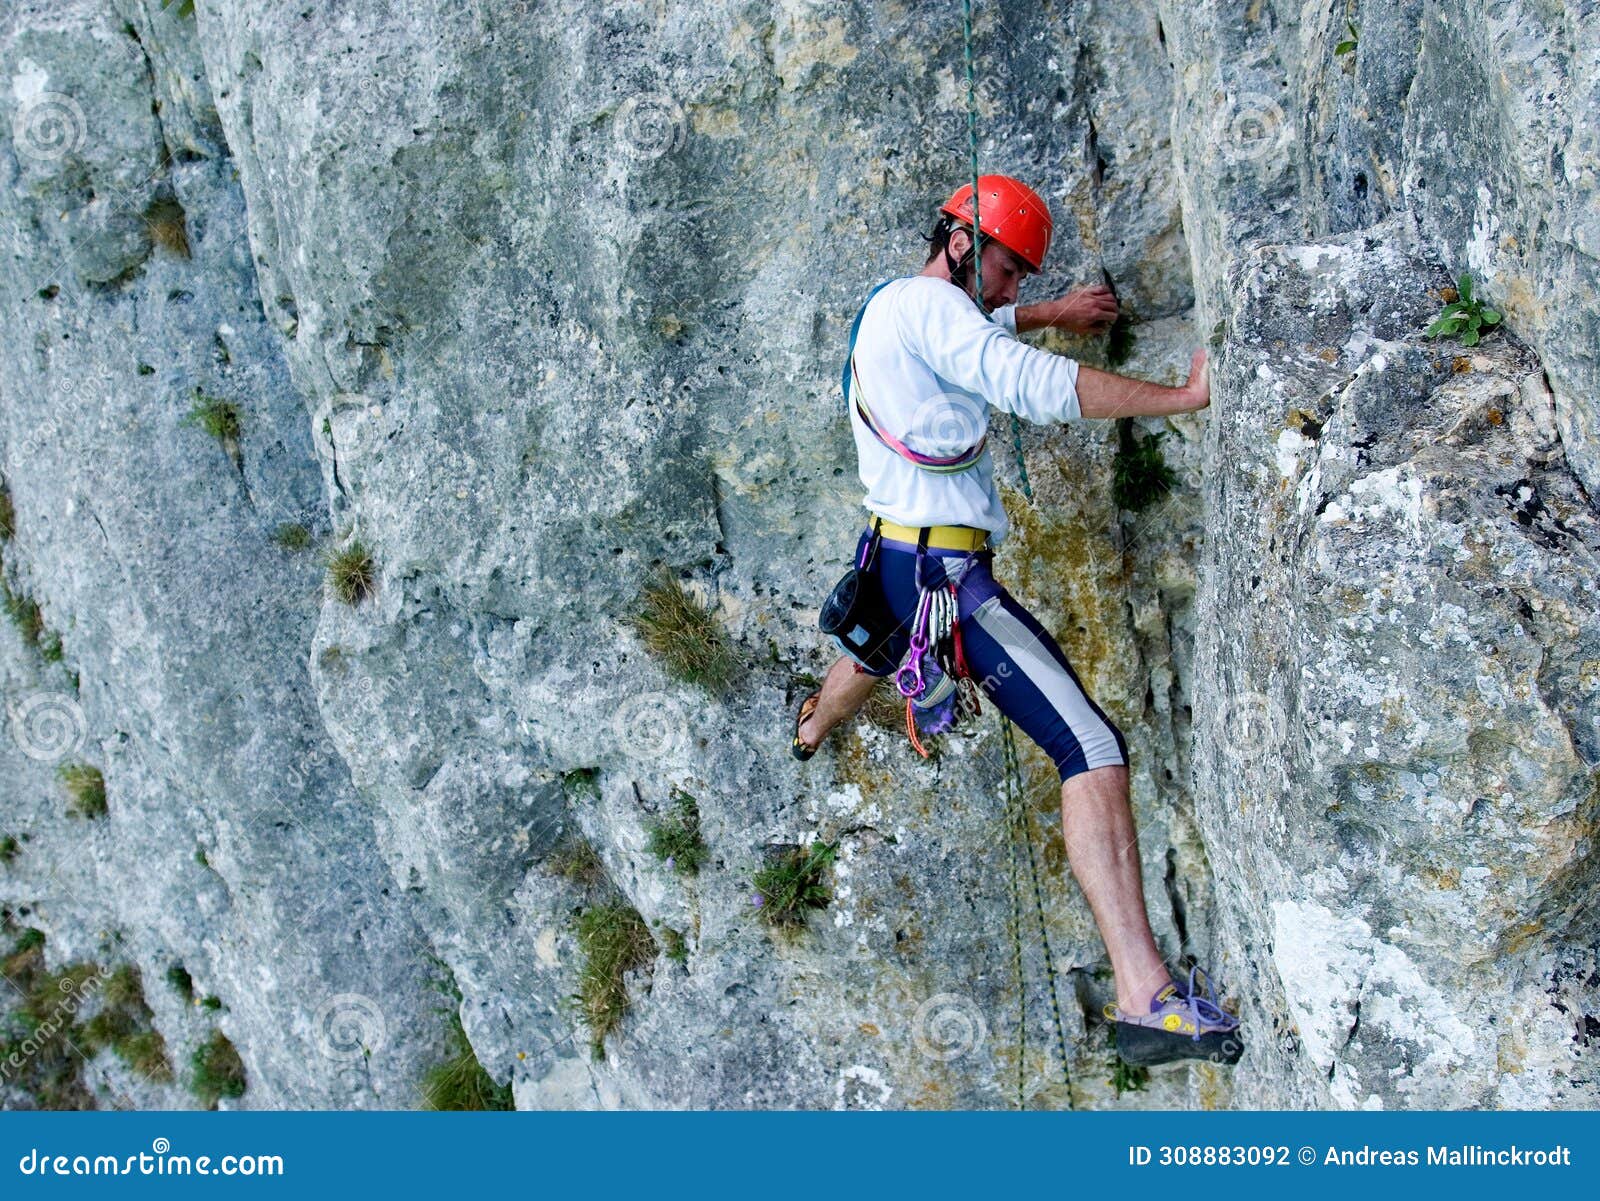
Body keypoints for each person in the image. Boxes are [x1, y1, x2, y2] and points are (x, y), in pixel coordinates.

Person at [792, 175, 1242, 1068]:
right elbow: (1030, 385)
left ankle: (809, 727)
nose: (1009, 287)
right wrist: (1180, 397)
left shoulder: (894, 308)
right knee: (1092, 747)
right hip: (947, 580)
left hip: (892, 555)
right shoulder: (935, 309)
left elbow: (984, 326)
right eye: (1005, 268)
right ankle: (1146, 999)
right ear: (960, 243)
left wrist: (1049, 311)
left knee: (882, 647)